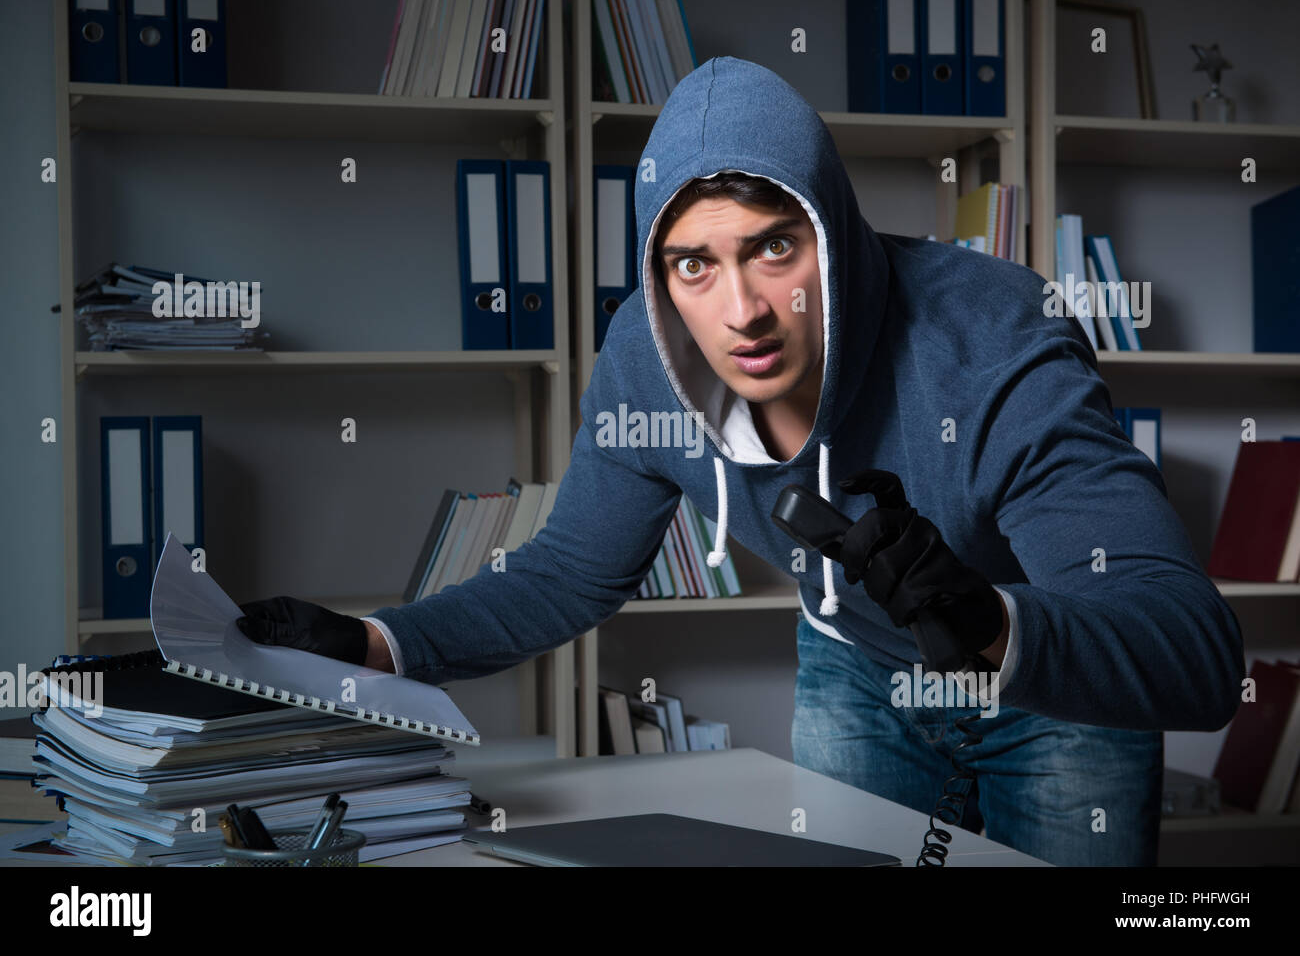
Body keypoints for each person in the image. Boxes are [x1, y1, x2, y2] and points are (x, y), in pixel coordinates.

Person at [237, 57, 1244, 866]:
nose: (742, 311)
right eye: (694, 264)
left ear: (834, 238)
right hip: (858, 674)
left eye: (774, 249)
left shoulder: (991, 336)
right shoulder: (643, 353)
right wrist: (371, 644)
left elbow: (1192, 654)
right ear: (659, 269)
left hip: (1055, 688)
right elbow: (567, 574)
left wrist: (985, 616)